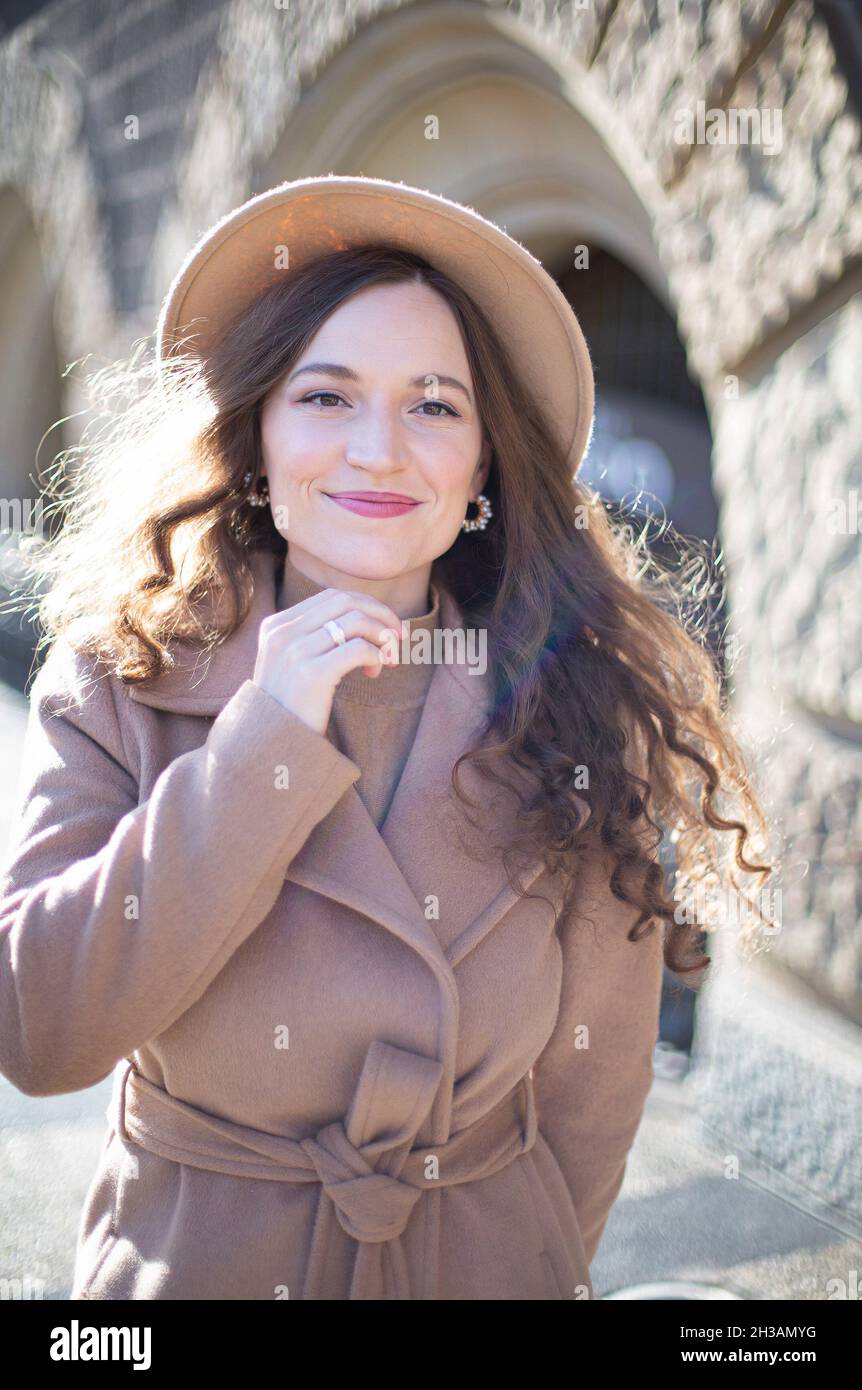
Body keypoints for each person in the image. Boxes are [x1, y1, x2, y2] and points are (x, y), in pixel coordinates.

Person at [0, 176, 773, 1300]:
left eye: (433, 405)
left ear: (480, 469)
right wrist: (264, 741)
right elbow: (41, 1025)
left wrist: (534, 1259)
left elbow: (591, 1090)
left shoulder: (578, 706)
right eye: (326, 396)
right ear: (256, 435)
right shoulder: (121, 677)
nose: (379, 449)